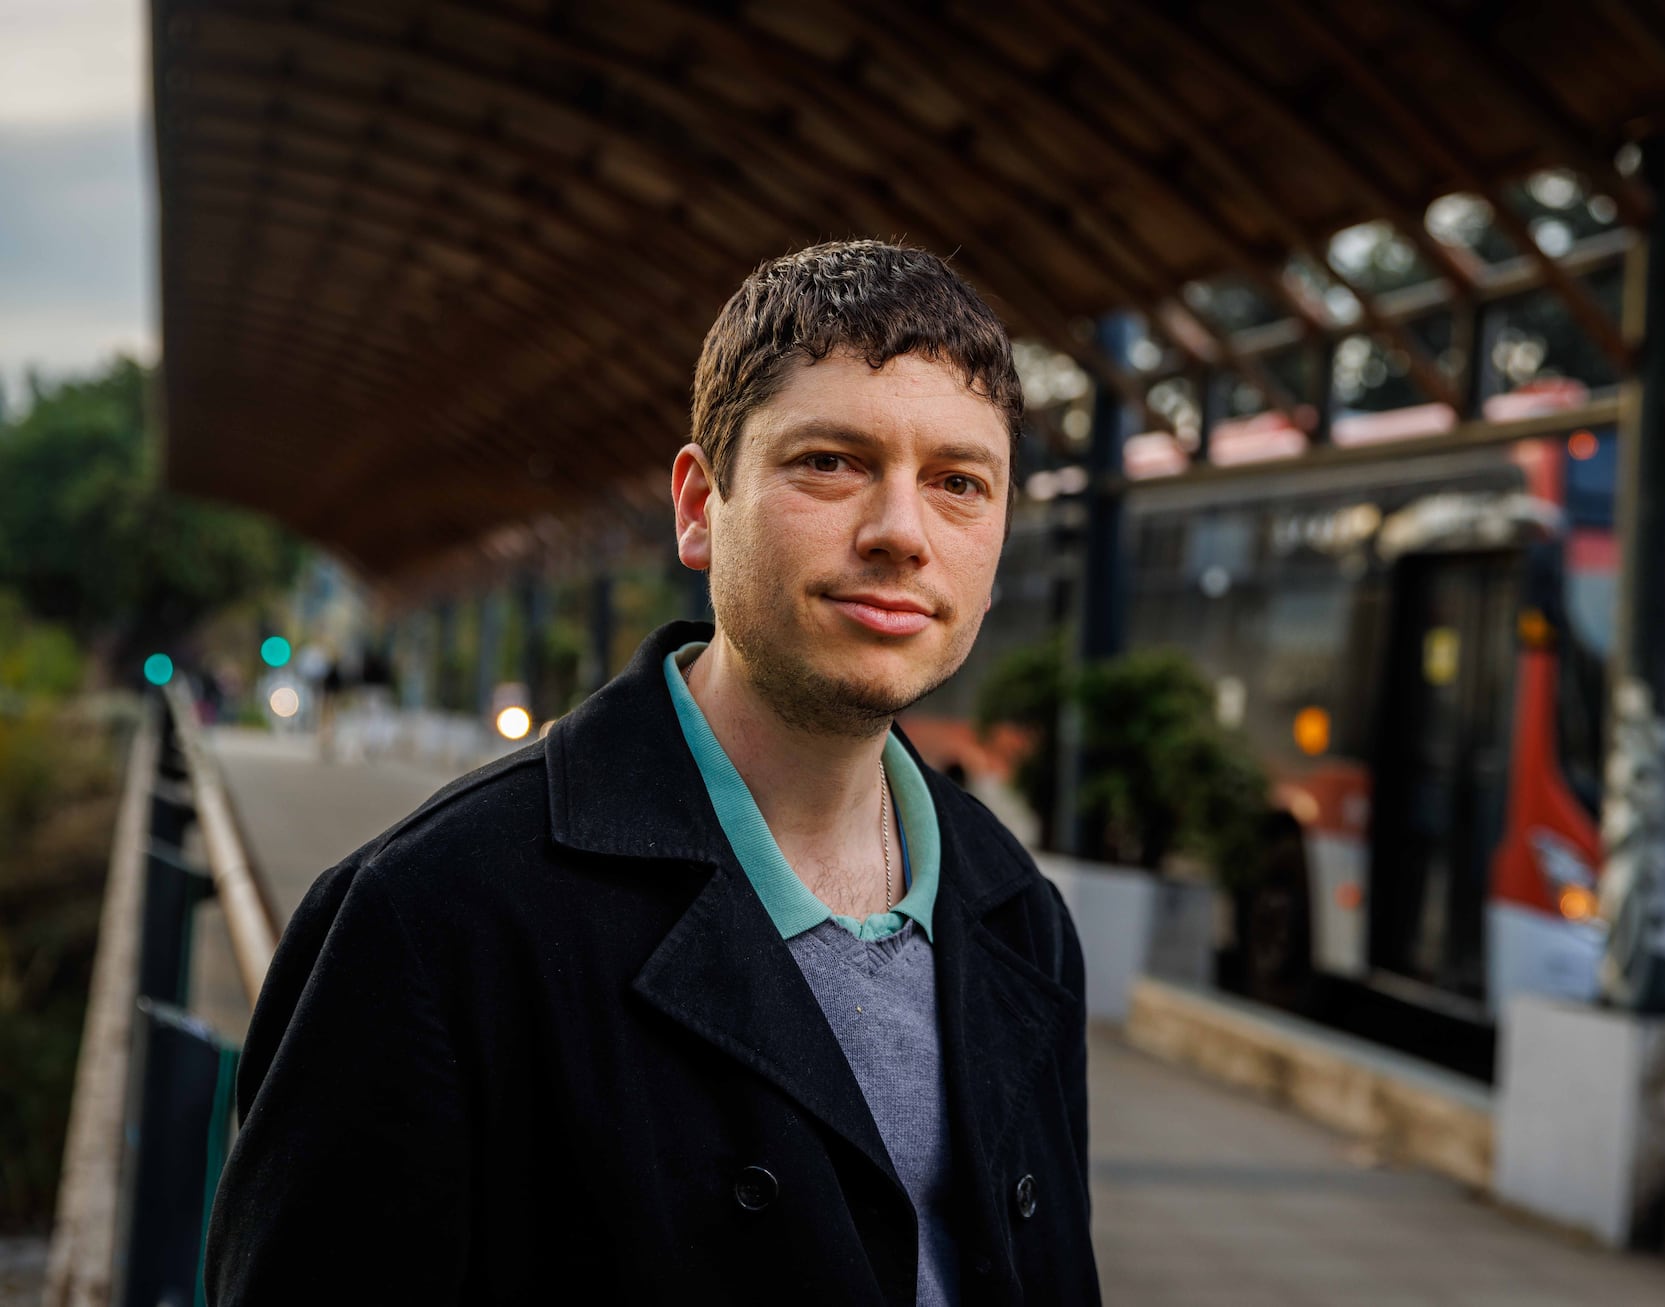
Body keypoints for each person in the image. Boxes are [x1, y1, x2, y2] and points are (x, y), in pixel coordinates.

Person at [205, 240, 1098, 1305]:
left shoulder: (1017, 917)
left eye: (958, 482)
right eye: (830, 461)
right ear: (696, 505)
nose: (901, 531)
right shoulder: (430, 919)